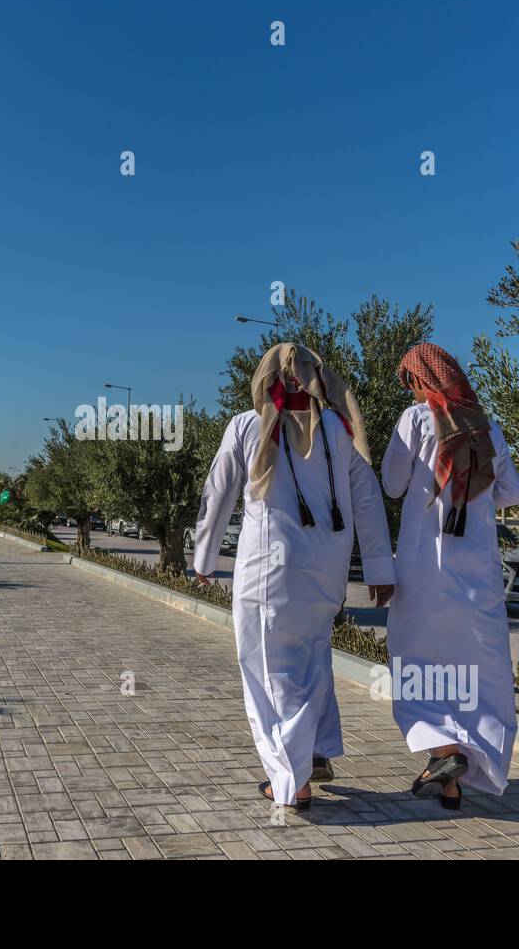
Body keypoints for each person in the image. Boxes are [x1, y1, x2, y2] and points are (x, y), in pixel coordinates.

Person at [193, 343, 395, 809]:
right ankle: (316, 751)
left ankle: (291, 781)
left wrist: (204, 558)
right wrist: (381, 569)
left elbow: (218, 493)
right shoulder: (338, 431)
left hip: (269, 573)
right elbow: (367, 501)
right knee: (311, 659)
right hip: (327, 575)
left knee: (271, 670)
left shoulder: (247, 425)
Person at [380, 342, 519, 810]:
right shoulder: (487, 427)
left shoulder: (414, 420)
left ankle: (443, 754)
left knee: (418, 662)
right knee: (475, 672)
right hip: (477, 581)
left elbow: (391, 484)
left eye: (409, 381)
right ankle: (452, 782)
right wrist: (476, 499)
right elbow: (515, 493)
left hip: (424, 574)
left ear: (420, 381)